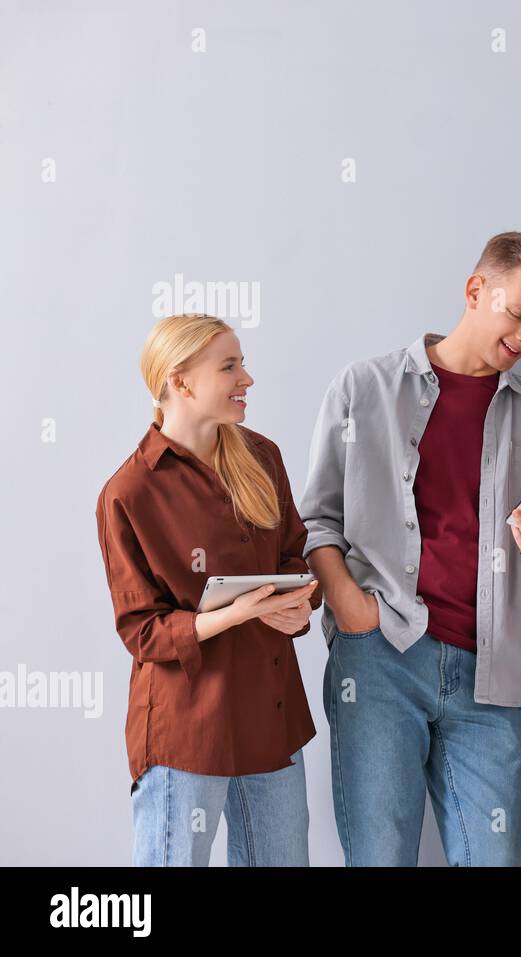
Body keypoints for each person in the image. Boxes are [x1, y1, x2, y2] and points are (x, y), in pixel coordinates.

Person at [300, 231, 521, 866]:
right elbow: (316, 519)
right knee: (380, 857)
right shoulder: (363, 387)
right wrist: (348, 607)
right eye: (519, 315)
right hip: (380, 658)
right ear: (476, 290)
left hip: (491, 669)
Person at [95, 313, 321, 866]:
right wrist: (232, 614)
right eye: (230, 366)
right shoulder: (129, 492)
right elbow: (141, 630)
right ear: (180, 380)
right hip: (187, 730)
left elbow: (294, 554)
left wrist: (299, 607)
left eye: (241, 363)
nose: (247, 379)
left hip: (272, 721)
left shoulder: (262, 456)